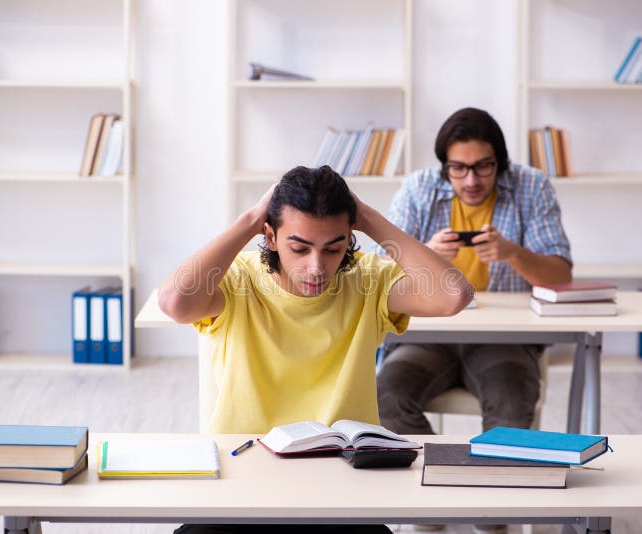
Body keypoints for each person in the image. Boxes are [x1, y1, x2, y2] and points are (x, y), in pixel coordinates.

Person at [159, 165, 473, 534]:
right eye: (299, 248)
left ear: (349, 238)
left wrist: (368, 218)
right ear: (271, 236)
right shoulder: (239, 279)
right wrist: (249, 219)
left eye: (333, 248)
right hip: (244, 478)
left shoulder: (368, 280)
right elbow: (174, 302)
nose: (316, 267)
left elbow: (454, 296)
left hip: (340, 481)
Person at [376, 108, 572, 534]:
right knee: (385, 395)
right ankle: (433, 507)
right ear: (443, 165)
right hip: (428, 339)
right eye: (458, 168)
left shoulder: (532, 186)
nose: (470, 180)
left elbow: (561, 276)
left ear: (500, 163)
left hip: (503, 340)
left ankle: (490, 519)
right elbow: (375, 271)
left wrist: (514, 253)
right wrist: (425, 254)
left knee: (511, 403)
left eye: (483, 167)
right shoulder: (418, 188)